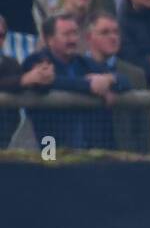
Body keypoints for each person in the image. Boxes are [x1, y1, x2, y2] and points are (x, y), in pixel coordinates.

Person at [22, 11, 130, 148]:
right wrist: (88, 85)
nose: (72, 40)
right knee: (49, 166)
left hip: (89, 148)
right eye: (66, 35)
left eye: (75, 33)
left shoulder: (84, 63)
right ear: (50, 39)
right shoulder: (36, 61)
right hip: (50, 143)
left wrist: (109, 80)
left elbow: (126, 81)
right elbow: (51, 82)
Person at [85, 10, 149, 150]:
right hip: (84, 155)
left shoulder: (135, 75)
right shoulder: (77, 68)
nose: (113, 37)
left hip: (124, 157)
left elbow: (143, 127)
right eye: (105, 32)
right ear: (89, 37)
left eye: (116, 32)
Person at [1, 14, 56, 91]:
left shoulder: (11, 64)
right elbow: (21, 80)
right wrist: (22, 80)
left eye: (1, 35)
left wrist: (42, 76)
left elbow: (31, 88)